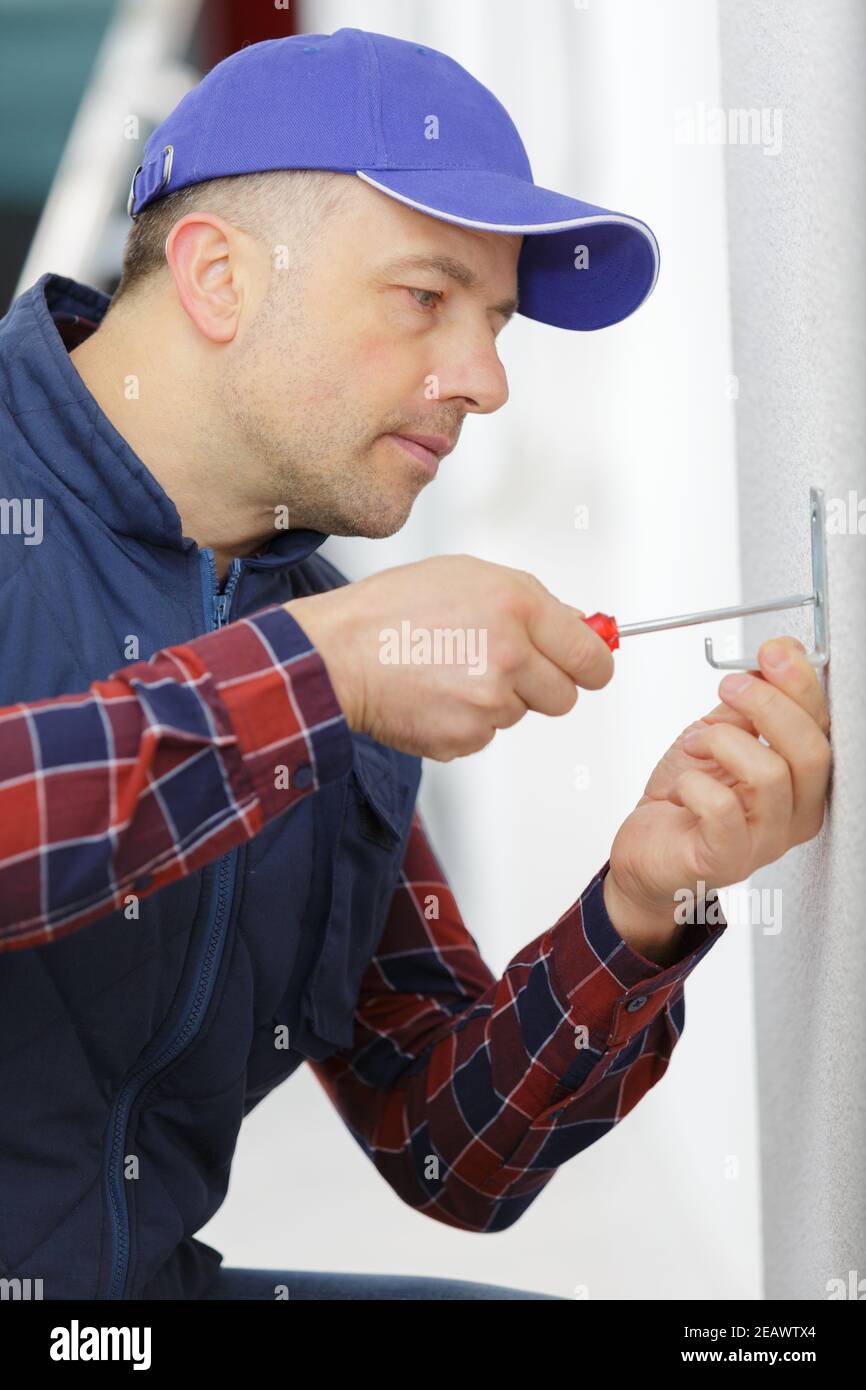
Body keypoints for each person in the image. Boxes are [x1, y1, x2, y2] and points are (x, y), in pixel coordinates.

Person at [0, 28, 830, 1301]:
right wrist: (318, 669)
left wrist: (653, 904)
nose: (486, 379)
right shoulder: (322, 654)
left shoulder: (315, 636)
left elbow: (448, 1152)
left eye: (493, 320)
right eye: (423, 297)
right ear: (217, 276)